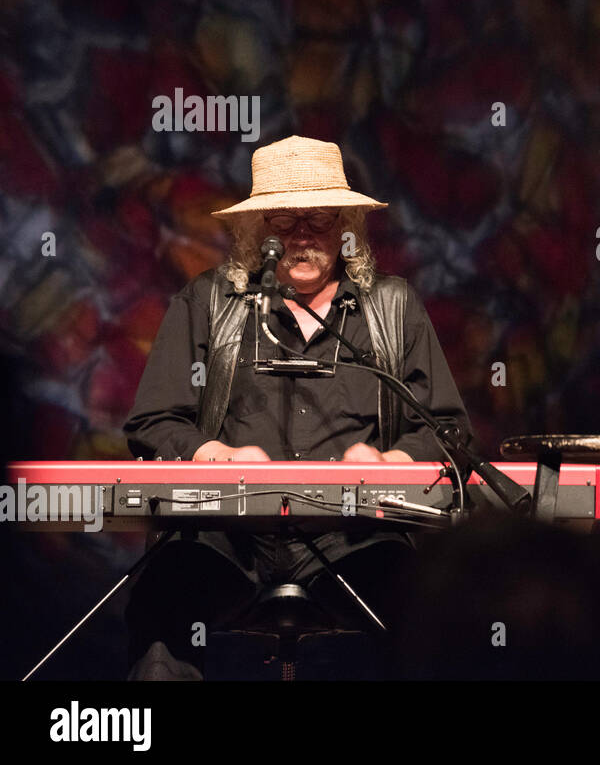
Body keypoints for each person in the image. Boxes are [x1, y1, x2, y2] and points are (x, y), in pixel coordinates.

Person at [122, 135, 471, 679]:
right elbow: (152, 422)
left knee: (424, 605)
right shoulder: (206, 301)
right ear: (254, 231)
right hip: (227, 535)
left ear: (346, 226)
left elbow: (448, 432)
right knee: (164, 587)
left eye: (319, 219)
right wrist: (213, 454)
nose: (301, 237)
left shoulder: (393, 306)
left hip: (355, 535)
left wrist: (388, 465)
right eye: (283, 222)